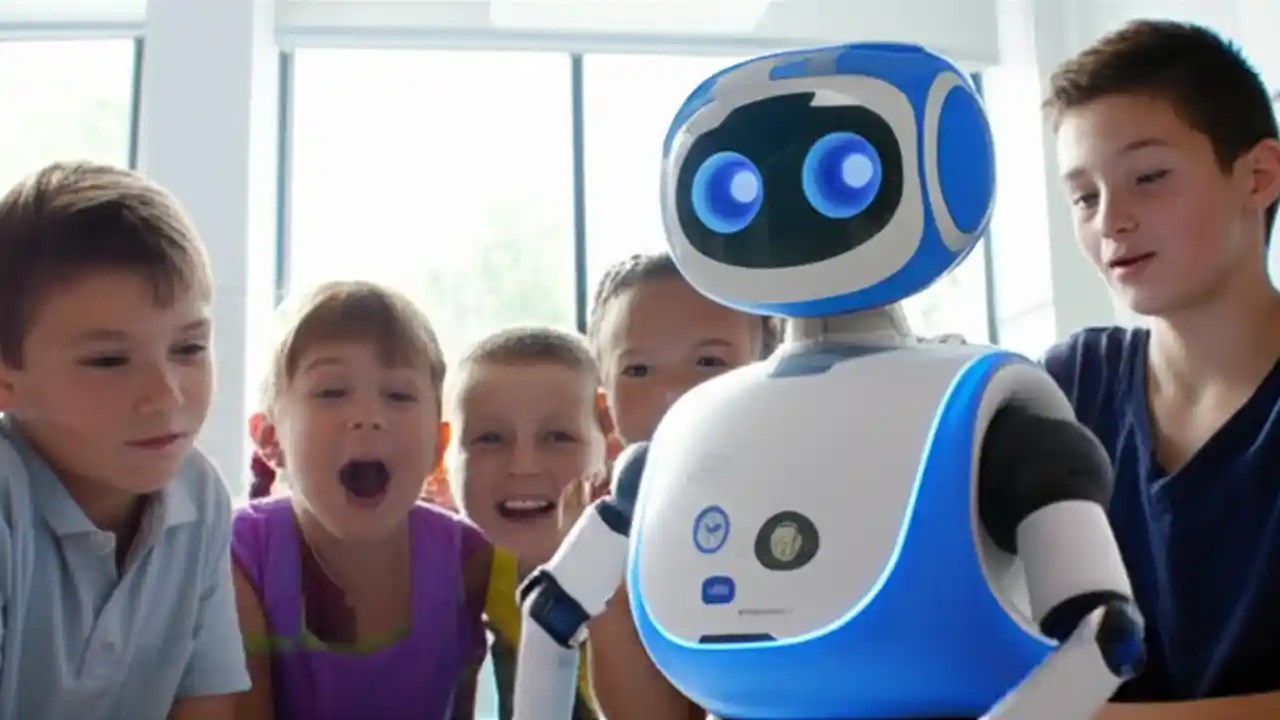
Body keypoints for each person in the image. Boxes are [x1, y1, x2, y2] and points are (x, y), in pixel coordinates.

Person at [1044, 19, 1280, 718]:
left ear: (1259, 175)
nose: (1111, 221)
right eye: (1084, 197)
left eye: (1148, 178)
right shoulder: (1063, 389)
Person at [0, 161, 249, 718]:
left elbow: (205, 701)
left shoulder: (200, 495)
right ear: (6, 380)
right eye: (109, 360)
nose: (165, 395)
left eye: (189, 349)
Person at [231, 280, 490, 719]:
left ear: (437, 444)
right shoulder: (237, 557)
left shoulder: (469, 560)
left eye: (398, 395)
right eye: (332, 392)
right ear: (270, 439)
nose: (369, 418)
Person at [581, 252, 780, 719]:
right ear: (605, 411)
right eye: (639, 370)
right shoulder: (612, 528)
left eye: (709, 361)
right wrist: (605, 578)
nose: (674, 393)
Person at [445, 326, 613, 720]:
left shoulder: (636, 579)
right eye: (490, 439)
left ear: (610, 442)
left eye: (558, 437)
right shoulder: (443, 575)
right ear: (443, 460)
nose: (523, 467)